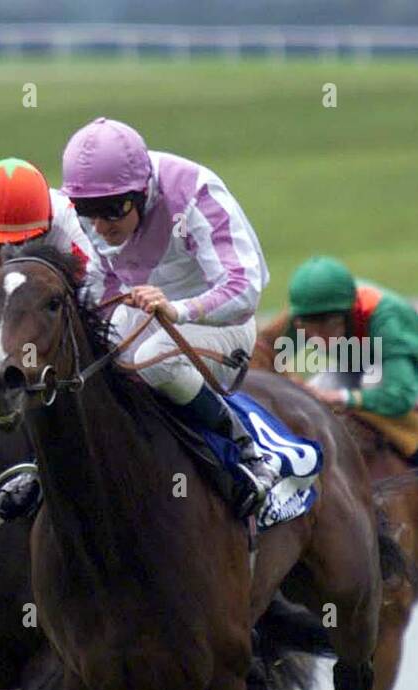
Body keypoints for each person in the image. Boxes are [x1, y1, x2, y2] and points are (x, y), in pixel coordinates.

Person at [57, 117, 280, 518]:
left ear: (142, 192)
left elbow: (243, 291)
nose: (101, 225)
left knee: (153, 359)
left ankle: (243, 448)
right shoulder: (93, 213)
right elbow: (97, 286)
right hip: (144, 313)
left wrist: (177, 310)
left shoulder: (193, 194)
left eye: (113, 210)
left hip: (221, 325)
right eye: (88, 211)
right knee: (83, 359)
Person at [258, 254, 418, 496]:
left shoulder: (386, 316)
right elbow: (265, 352)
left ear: (348, 312)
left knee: (370, 386)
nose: (319, 336)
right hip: (354, 363)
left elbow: (399, 396)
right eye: (310, 327)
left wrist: (341, 398)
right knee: (307, 403)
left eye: (329, 324)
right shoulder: (302, 316)